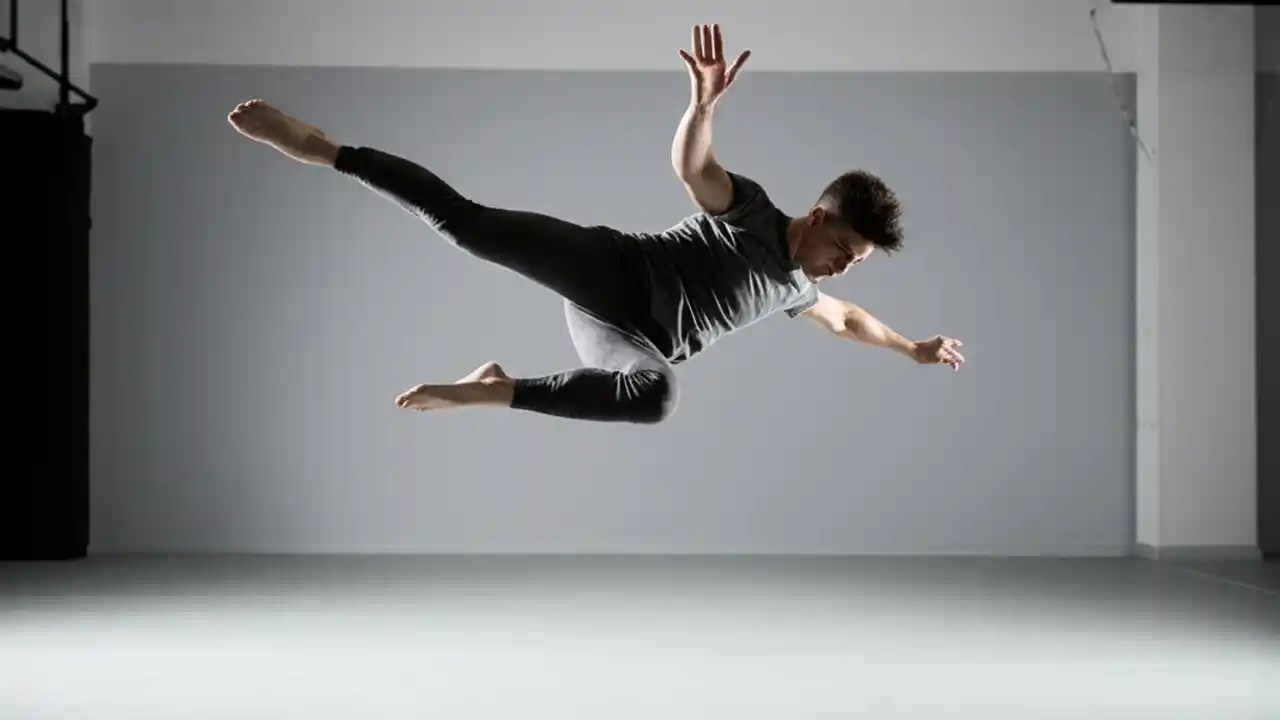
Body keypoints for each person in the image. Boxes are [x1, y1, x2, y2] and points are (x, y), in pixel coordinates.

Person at [226, 24, 965, 425]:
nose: (841, 267)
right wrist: (703, 107)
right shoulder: (753, 214)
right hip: (612, 271)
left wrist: (913, 350)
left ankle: (495, 388)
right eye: (844, 249)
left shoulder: (798, 288)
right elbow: (693, 169)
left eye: (855, 261)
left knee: (657, 399)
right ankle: (323, 149)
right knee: (470, 227)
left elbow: (848, 321)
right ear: (818, 217)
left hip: (630, 339)